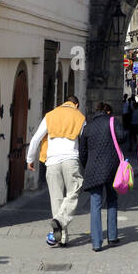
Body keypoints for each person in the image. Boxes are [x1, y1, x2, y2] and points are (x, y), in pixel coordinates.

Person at [26, 92, 86, 247]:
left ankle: (61, 237)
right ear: (76, 105)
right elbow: (85, 141)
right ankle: (60, 221)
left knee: (56, 198)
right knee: (75, 189)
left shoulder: (50, 115)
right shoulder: (79, 117)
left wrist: (30, 159)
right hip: (70, 159)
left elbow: (35, 139)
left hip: (52, 161)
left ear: (64, 102)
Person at [80, 102, 122, 252]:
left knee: (95, 204)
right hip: (112, 168)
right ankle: (112, 236)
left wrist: (87, 166)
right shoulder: (112, 121)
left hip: (93, 169)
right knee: (112, 200)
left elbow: (82, 152)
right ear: (107, 112)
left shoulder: (88, 127)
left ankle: (96, 243)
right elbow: (122, 137)